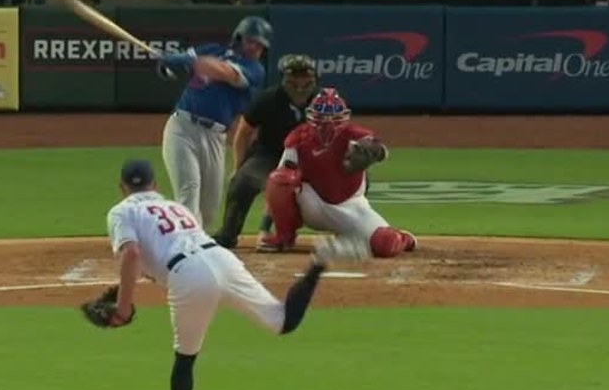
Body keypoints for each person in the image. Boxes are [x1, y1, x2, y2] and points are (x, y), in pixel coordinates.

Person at [97, 157, 343, 390]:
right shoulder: (174, 207)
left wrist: (124, 308)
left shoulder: (120, 212)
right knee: (282, 322)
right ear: (155, 185)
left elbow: (133, 255)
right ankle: (315, 266)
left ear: (122, 187)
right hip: (223, 259)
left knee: (185, 357)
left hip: (189, 277)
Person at [263, 87, 419, 258]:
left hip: (350, 206)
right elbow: (277, 186)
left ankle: (404, 238)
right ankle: (285, 237)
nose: (327, 122)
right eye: (322, 116)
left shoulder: (355, 135)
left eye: (333, 117)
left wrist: (375, 151)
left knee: (386, 244)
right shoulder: (298, 138)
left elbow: (380, 150)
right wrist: (265, 226)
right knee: (280, 178)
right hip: (310, 203)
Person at [155, 16, 272, 232]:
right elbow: (179, 66)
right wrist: (168, 63)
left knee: (208, 210)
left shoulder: (255, 70)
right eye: (251, 41)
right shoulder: (212, 50)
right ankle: (187, 249)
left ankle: (186, 235)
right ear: (239, 38)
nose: (255, 47)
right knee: (189, 191)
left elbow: (223, 72)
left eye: (260, 44)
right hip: (182, 127)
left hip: (215, 137)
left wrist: (191, 61)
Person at [213, 53, 319, 251]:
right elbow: (244, 132)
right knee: (242, 182)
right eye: (294, 77)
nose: (300, 83)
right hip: (268, 153)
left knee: (288, 185)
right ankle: (228, 234)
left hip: (308, 156)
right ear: (284, 79)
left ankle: (279, 234)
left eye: (305, 77)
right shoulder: (268, 99)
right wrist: (238, 166)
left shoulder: (323, 101)